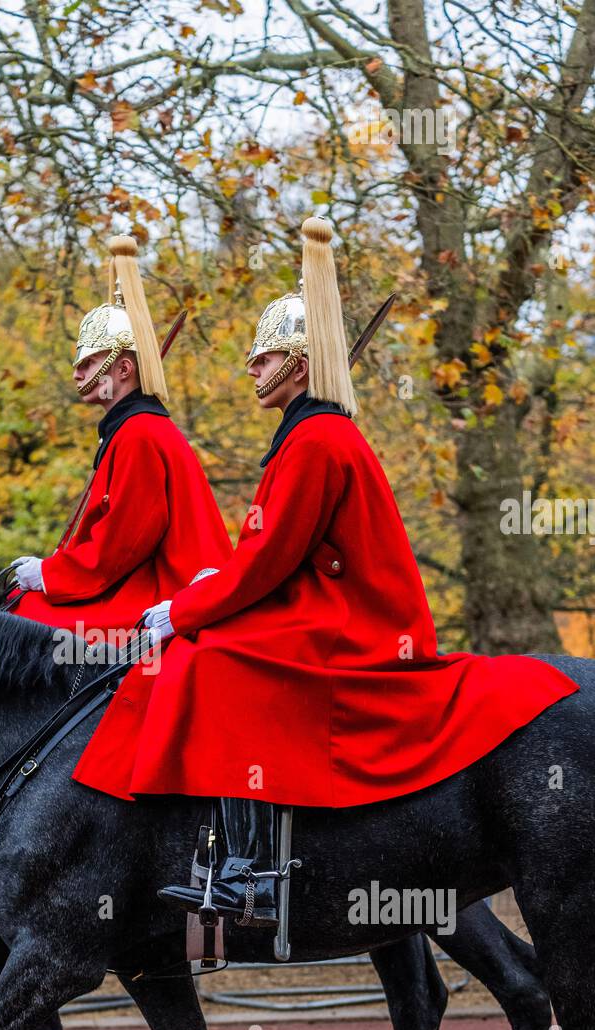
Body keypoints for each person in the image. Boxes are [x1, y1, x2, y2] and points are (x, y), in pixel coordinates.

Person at [71, 217, 579, 923]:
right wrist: (203, 591)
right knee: (204, 646)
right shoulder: (307, 436)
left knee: (210, 661)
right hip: (316, 605)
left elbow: (264, 562)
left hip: (351, 622)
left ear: (297, 363)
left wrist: (183, 610)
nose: (249, 369)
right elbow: (262, 558)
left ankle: (245, 870)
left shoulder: (315, 442)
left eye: (261, 358)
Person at [6, 235, 231, 642]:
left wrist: (49, 574)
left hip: (163, 590)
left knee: (27, 622)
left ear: (123, 369)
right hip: (137, 582)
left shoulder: (140, 433)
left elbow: (124, 543)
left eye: (89, 362)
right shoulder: (129, 429)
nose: (77, 373)